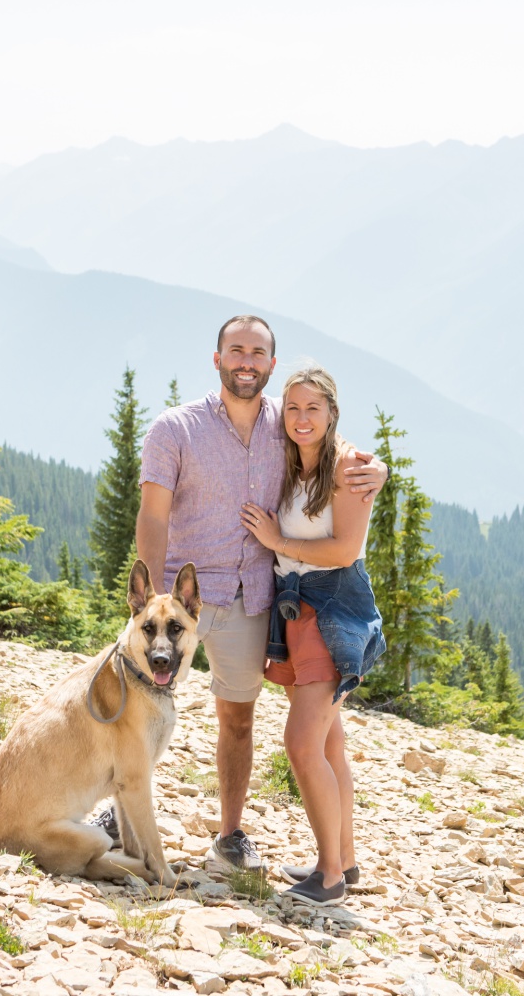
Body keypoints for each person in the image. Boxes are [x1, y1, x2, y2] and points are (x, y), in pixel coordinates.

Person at [135, 315, 387, 874]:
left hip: (256, 600)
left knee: (239, 719)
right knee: (140, 707)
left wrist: (377, 468)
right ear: (217, 358)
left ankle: (229, 835)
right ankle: (119, 814)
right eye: (235, 350)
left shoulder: (284, 419)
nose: (246, 360)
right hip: (182, 603)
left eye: (257, 353)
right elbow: (152, 516)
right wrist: (152, 601)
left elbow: (329, 437)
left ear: (271, 365)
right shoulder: (174, 428)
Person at [240, 366, 384, 906]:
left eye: (313, 409)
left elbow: (345, 550)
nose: (302, 419)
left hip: (333, 607)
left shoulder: (348, 467)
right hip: (299, 608)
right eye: (293, 409)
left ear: (332, 414)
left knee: (301, 743)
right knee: (329, 742)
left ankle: (328, 878)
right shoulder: (292, 463)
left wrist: (278, 540)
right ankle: (343, 859)